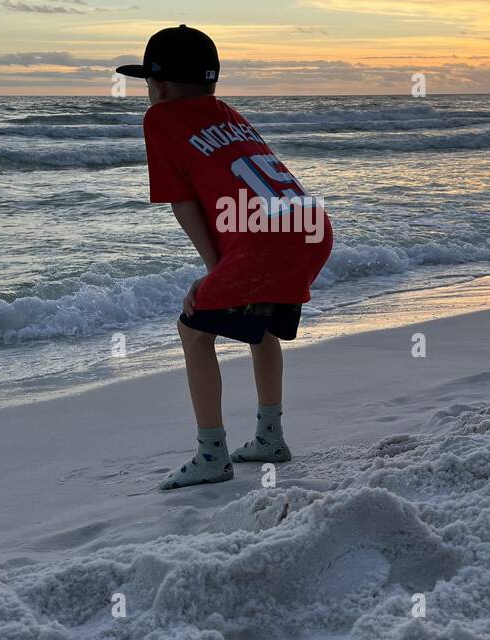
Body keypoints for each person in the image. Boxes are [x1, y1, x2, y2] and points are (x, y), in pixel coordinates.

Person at [116, 25, 333, 489]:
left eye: (149, 86)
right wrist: (231, 271)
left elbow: (182, 202)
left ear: (160, 85)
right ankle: (269, 437)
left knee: (192, 329)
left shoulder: (159, 119)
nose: (149, 94)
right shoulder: (229, 114)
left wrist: (215, 273)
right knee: (261, 323)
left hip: (267, 236)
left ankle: (211, 455)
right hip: (309, 224)